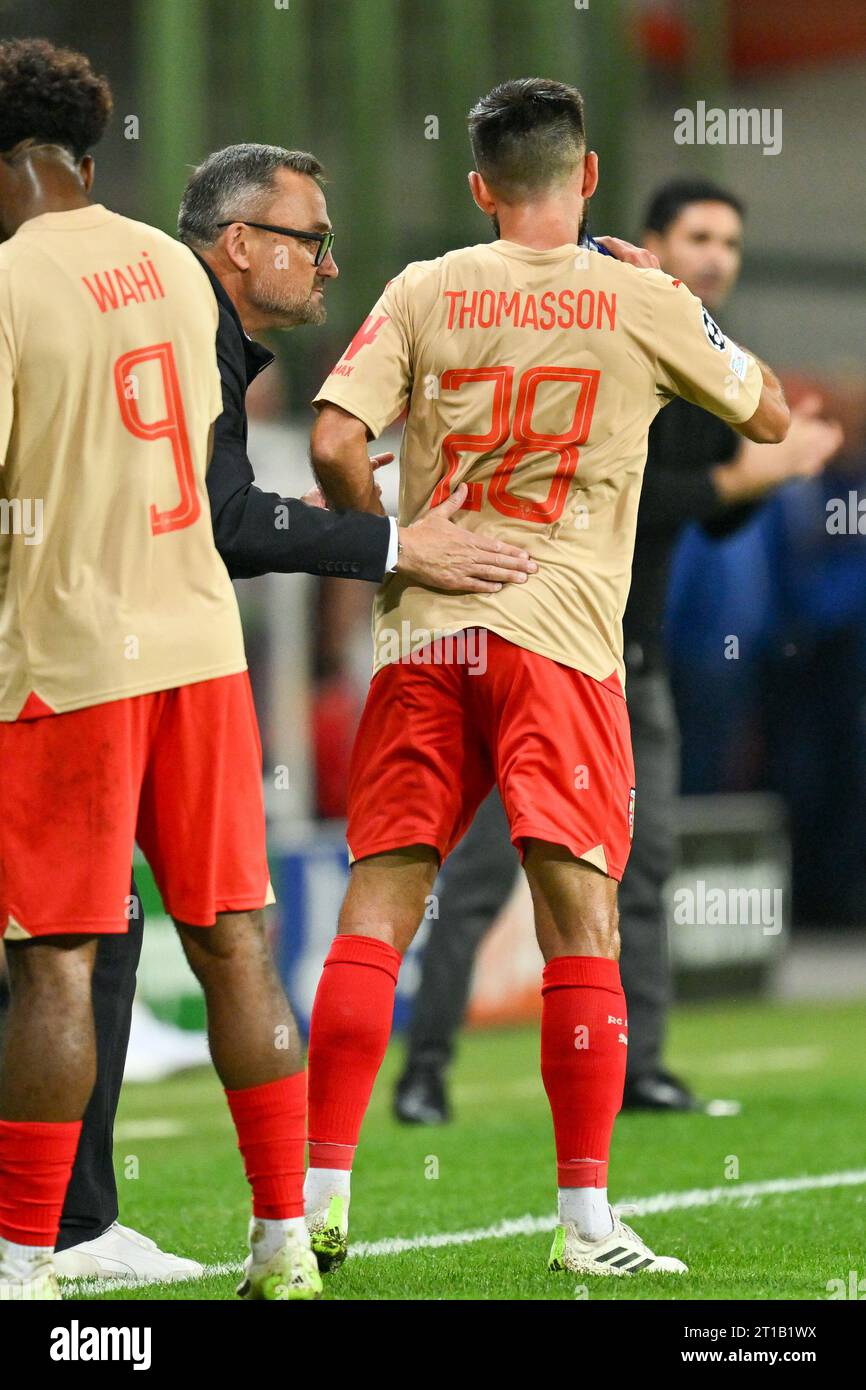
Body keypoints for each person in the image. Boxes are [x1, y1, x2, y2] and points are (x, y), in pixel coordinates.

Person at [301, 78, 790, 1279]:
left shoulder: (423, 286)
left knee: (381, 904)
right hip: (562, 639)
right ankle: (583, 1226)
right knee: (580, 920)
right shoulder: (638, 295)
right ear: (580, 180)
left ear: (477, 187)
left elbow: (326, 440)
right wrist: (672, 297)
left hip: (426, 633)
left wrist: (394, 538)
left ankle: (310, 1205)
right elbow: (770, 415)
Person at [42, 135, 537, 1283]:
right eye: (308, 239)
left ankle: (76, 1217)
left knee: (105, 939)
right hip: (77, 671)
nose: (327, 263)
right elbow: (223, 519)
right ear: (238, 243)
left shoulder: (183, 334)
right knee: (105, 944)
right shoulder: (174, 330)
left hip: (110, 664)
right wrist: (397, 542)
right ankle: (86, 1226)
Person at [393, 177, 843, 1125]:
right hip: (537, 648)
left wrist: (755, 481)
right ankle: (425, 1070)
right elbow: (632, 503)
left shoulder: (684, 361)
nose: (717, 255)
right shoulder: (609, 340)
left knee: (646, 866)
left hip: (630, 660)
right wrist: (743, 472)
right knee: (479, 873)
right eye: (699, 237)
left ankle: (641, 1068)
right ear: (650, 245)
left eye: (730, 239)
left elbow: (702, 516)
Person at [0, 38, 320, 1301]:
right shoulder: (182, 277)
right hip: (199, 649)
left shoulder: (9, 281)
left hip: (68, 658)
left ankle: (25, 1256)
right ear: (84, 156)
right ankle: (283, 1238)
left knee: (55, 960)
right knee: (237, 938)